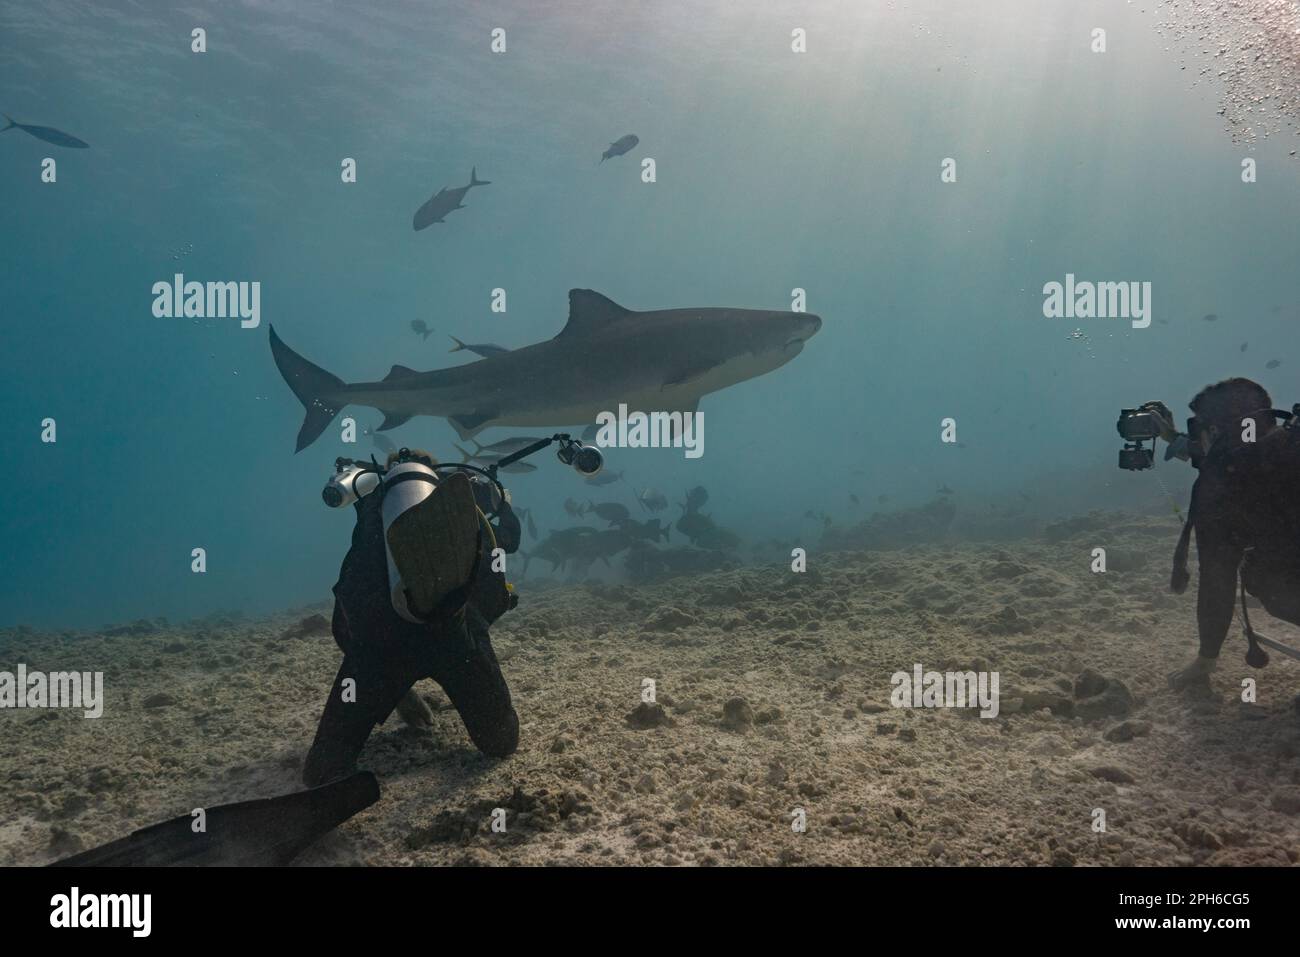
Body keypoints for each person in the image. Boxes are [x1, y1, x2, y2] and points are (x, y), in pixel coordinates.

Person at [302, 449, 521, 787]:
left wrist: (365, 661)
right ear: (437, 475)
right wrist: (503, 505)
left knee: (323, 768)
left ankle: (339, 771)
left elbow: (348, 595)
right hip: (456, 636)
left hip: (380, 647)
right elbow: (505, 545)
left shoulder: (373, 511)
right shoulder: (457, 508)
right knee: (501, 742)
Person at [1140, 379, 1300, 690]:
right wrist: (1173, 437)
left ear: (1214, 431)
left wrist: (1206, 659)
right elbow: (1228, 459)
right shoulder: (1286, 443)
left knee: (1272, 586)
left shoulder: (1230, 490)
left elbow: (1218, 582)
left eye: (1198, 428)